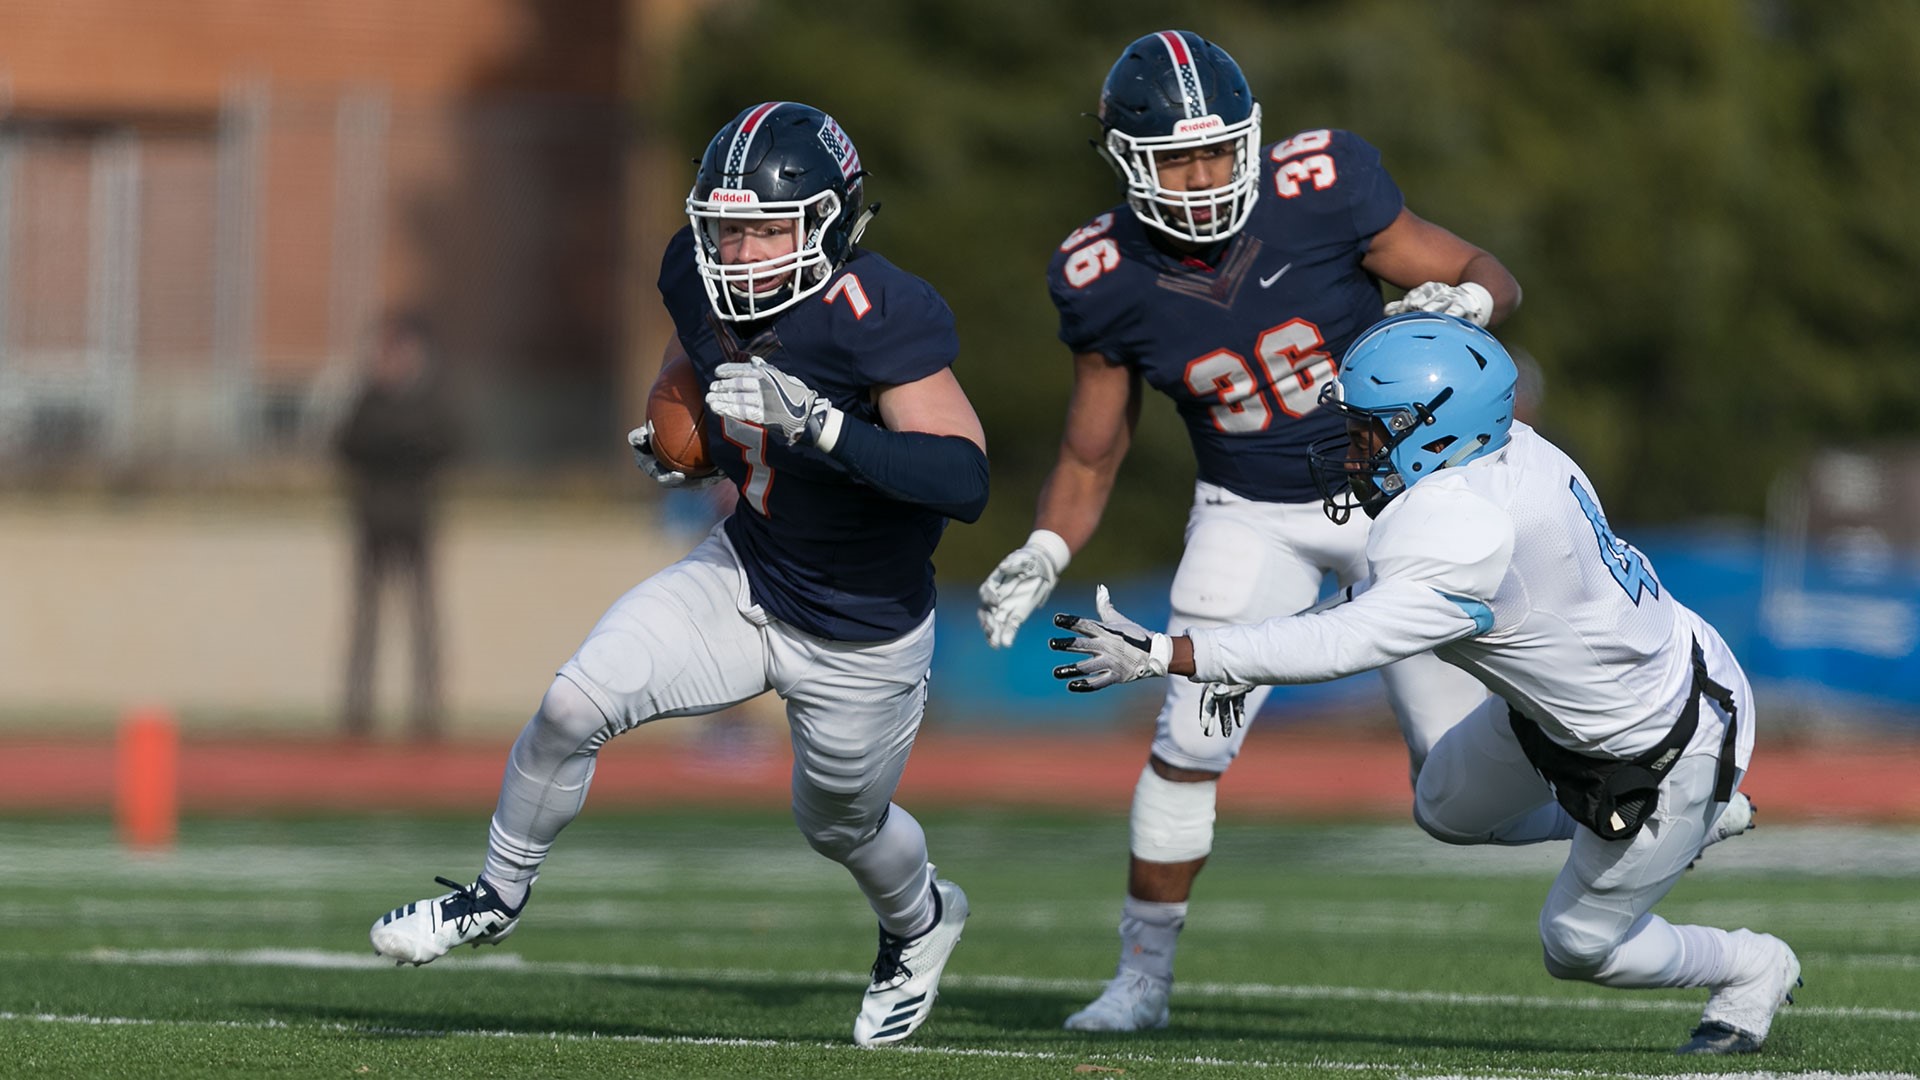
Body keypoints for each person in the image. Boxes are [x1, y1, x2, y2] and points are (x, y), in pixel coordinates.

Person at [368, 101, 990, 1048]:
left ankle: (922, 921)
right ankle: (494, 896)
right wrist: (683, 433)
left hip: (863, 628)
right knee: (575, 704)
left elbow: (964, 476)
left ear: (831, 225)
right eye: (726, 228)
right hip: (746, 575)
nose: (739, 253)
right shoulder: (696, 276)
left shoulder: (875, 313)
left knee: (839, 826)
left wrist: (823, 427)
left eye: (766, 230)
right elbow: (690, 358)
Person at [1049, 313, 1791, 1056]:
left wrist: (1170, 653)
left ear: (1432, 429)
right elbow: (1375, 602)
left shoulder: (1468, 527)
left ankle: (1752, 964)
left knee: (1575, 946)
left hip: (1660, 749)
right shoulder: (1508, 450)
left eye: (1369, 432)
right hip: (1591, 701)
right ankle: (1691, 825)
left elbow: (1349, 639)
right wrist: (1238, 652)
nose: (1351, 454)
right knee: (1443, 805)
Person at [975, 29, 1523, 1031]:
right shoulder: (1103, 273)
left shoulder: (1326, 187)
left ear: (1253, 139)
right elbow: (1094, 452)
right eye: (1176, 157)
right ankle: (1140, 982)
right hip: (1250, 519)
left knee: (1454, 788)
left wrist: (1472, 298)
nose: (1201, 176)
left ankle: (1637, 798)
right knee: (1187, 745)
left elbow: (1486, 266)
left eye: (1218, 149)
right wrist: (1046, 547)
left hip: (1398, 502)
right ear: (1127, 162)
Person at [335, 311, 458, 742]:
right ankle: (357, 712)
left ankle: (427, 712)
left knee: (422, 618)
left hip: (415, 519)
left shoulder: (431, 400)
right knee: (366, 620)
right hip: (373, 520)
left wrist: (398, 445)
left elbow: (447, 443)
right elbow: (346, 445)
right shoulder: (366, 399)